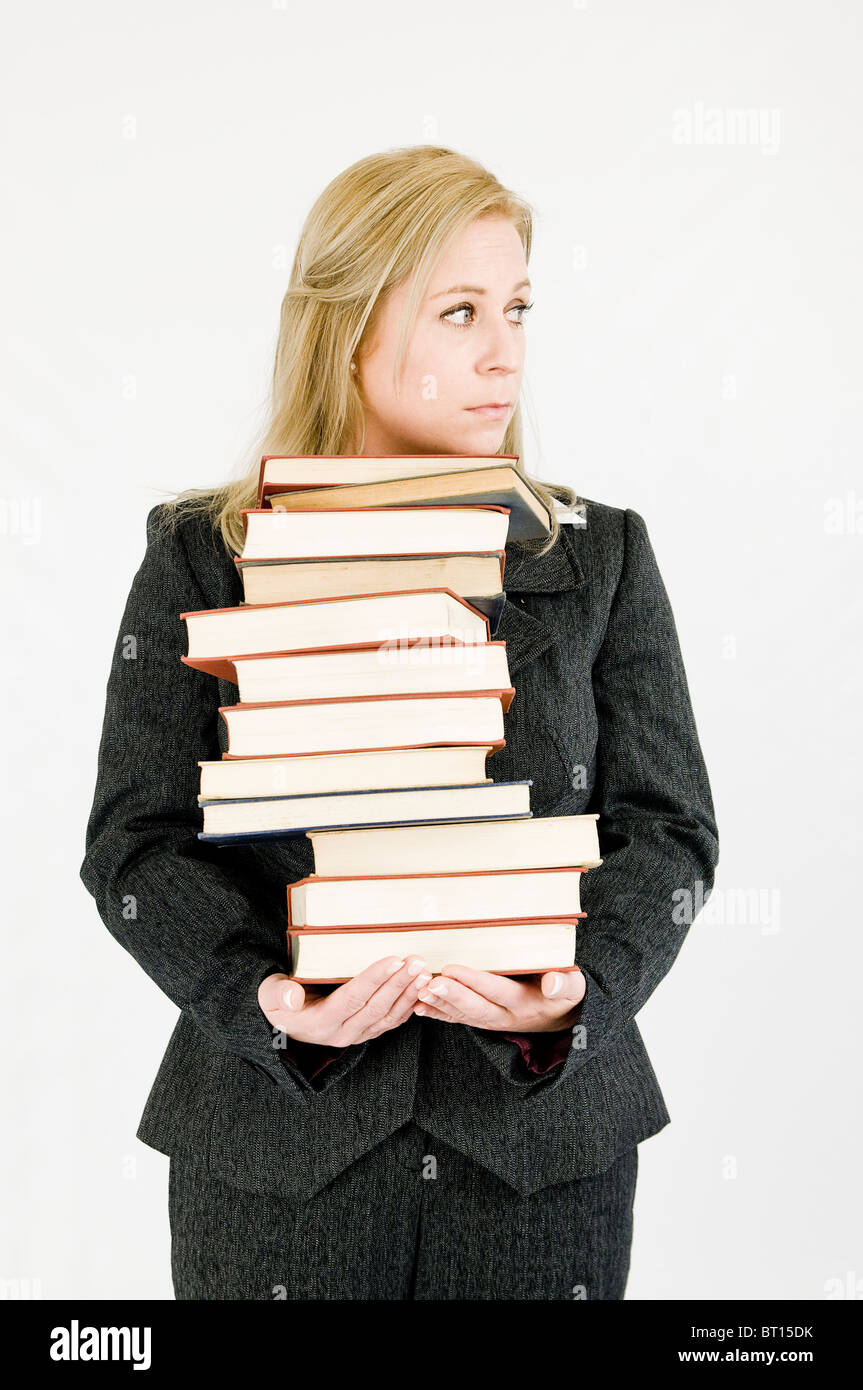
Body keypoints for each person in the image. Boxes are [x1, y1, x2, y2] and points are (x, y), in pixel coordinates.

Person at [80, 145, 719, 1300]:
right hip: (276, 1161)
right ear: (351, 325)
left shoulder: (598, 554)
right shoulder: (200, 554)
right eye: (460, 311)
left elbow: (668, 832)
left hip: (540, 1164)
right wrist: (263, 1000)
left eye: (516, 307)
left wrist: (575, 988)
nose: (503, 353)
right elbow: (135, 843)